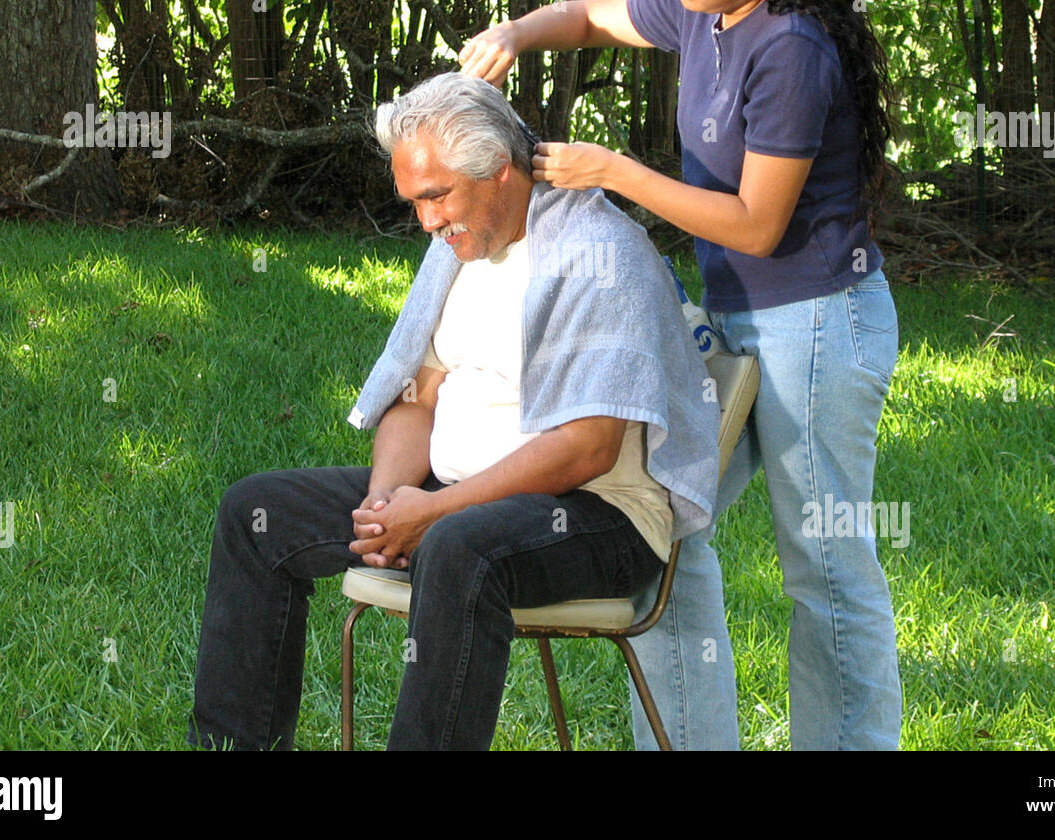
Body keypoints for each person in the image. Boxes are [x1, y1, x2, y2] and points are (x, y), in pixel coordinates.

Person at [458, 0, 901, 750]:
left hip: (816, 328)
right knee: (663, 517)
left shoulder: (791, 47)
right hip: (739, 322)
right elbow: (589, 18)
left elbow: (755, 224)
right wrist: (515, 32)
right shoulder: (701, 6)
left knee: (823, 567)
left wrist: (615, 172)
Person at [187, 72, 719, 750]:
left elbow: (588, 447)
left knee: (457, 547)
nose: (428, 221)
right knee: (254, 514)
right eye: (414, 201)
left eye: (437, 196)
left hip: (597, 516)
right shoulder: (457, 252)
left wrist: (435, 513)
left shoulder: (598, 255)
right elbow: (419, 395)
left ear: (498, 169)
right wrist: (388, 501)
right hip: (448, 500)